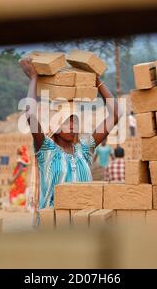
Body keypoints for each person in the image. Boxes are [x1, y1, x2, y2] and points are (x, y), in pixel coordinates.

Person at [19, 57, 120, 210]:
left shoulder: (84, 150)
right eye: (66, 121)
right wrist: (34, 78)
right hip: (54, 226)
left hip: (84, 224)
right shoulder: (47, 150)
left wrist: (96, 81)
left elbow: (115, 114)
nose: (72, 125)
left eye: (75, 121)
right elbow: (30, 116)